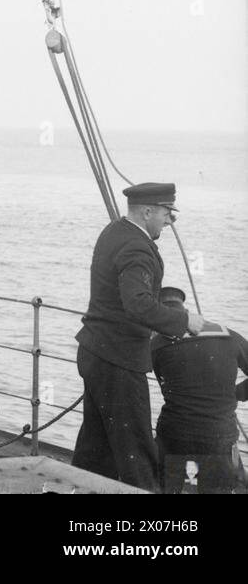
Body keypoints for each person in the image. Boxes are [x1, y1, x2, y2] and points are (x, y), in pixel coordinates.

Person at [71, 181, 207, 491]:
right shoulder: (137, 247)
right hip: (118, 360)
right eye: (167, 213)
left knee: (96, 445)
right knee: (137, 449)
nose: (170, 222)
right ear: (147, 211)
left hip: (95, 351)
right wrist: (185, 320)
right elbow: (138, 304)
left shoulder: (114, 232)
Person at [150, 285, 248, 493]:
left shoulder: (156, 343)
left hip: (175, 435)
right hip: (219, 436)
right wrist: (237, 394)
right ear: (185, 311)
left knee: (167, 487)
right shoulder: (228, 335)